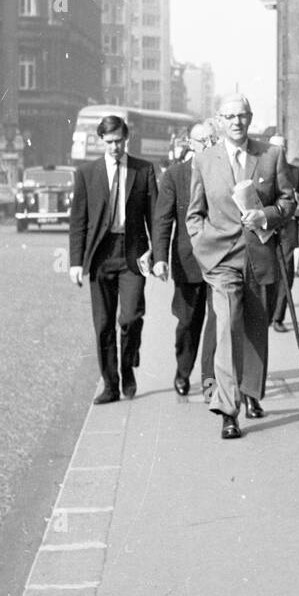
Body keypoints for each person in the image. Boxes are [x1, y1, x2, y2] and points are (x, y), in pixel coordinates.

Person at [186, 93, 296, 439]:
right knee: (227, 328)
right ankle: (228, 409)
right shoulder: (204, 160)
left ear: (250, 118)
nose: (236, 122)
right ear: (220, 120)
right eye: (229, 117)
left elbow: (289, 201)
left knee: (255, 327)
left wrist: (266, 215)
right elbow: (194, 213)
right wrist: (203, 247)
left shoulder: (270, 155)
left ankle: (251, 392)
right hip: (221, 260)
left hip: (259, 254)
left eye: (242, 116)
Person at [68, 114, 158, 404]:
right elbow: (78, 221)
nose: (115, 147)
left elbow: (155, 217)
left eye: (119, 141)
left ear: (126, 138)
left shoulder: (143, 170)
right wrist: (75, 262)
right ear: (100, 141)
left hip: (133, 254)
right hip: (101, 256)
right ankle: (111, 385)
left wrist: (156, 252)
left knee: (131, 317)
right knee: (104, 324)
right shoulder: (86, 173)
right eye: (109, 142)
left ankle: (128, 365)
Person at [151, 121, 217, 396]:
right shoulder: (175, 176)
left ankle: (210, 377)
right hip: (187, 262)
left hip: (220, 260)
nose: (210, 147)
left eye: (213, 141)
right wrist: (160, 258)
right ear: (191, 144)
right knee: (188, 321)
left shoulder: (222, 172)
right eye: (204, 142)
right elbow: (163, 219)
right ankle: (183, 371)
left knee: (217, 320)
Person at [271, 143, 299, 332]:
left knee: (286, 273)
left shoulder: (295, 172)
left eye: (282, 147)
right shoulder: (259, 166)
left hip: (288, 230)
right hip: (264, 229)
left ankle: (277, 318)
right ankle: (266, 313)